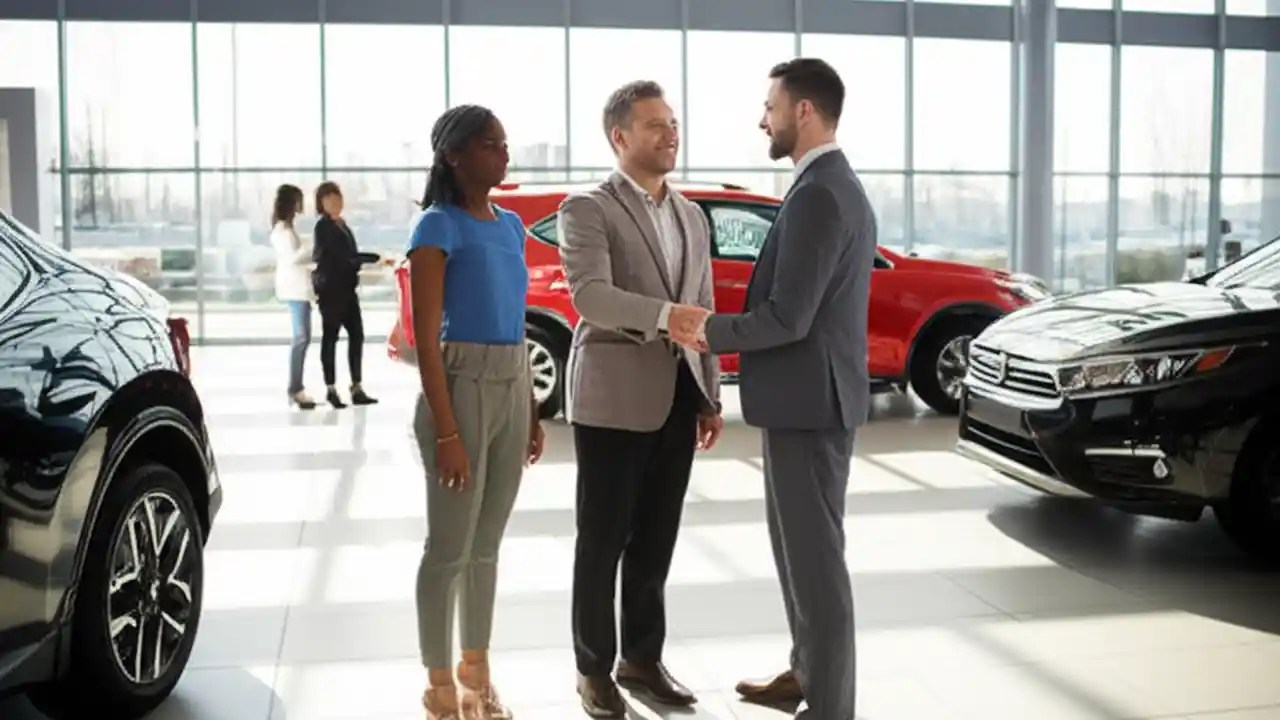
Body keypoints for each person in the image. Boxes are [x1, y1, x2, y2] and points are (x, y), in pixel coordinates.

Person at [673, 58, 874, 720]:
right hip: (805, 402)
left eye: (771, 106)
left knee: (816, 567)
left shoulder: (820, 192)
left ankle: (831, 707)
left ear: (804, 112)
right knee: (797, 555)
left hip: (810, 408)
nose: (763, 117)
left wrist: (706, 331)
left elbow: (791, 316)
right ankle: (806, 672)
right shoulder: (824, 184)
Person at [557, 80, 723, 718]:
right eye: (655, 124)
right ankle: (592, 668)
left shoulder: (690, 215)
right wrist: (665, 314)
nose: (670, 133)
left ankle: (642, 660)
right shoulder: (588, 208)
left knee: (656, 539)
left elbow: (701, 309)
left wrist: (707, 396)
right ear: (619, 137)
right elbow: (590, 297)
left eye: (673, 122)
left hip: (678, 397)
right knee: (601, 540)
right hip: (612, 398)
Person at [406, 104, 546, 720]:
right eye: (490, 144)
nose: (503, 153)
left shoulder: (512, 226)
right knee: (448, 549)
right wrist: (448, 430)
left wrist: (534, 410)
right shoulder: (436, 227)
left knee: (486, 547)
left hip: (513, 385)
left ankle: (476, 673)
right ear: (454, 155)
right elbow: (425, 339)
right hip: (458, 388)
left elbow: (515, 320)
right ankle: (438, 686)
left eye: (505, 142)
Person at [312, 180, 383, 408]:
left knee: (357, 336)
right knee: (330, 338)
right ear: (322, 203)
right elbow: (338, 257)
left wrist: (365, 258)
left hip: (347, 290)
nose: (336, 203)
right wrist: (368, 259)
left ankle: (356, 386)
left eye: (338, 198)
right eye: (330, 199)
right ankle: (331, 388)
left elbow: (350, 254)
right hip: (331, 292)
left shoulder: (343, 224)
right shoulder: (322, 227)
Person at [269, 183, 317, 410]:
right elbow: (293, 258)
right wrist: (313, 249)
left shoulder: (287, 229)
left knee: (302, 338)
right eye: (298, 200)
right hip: (295, 289)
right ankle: (295, 388)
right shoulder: (282, 231)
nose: (301, 205)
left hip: (298, 288)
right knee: (301, 338)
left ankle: (296, 387)